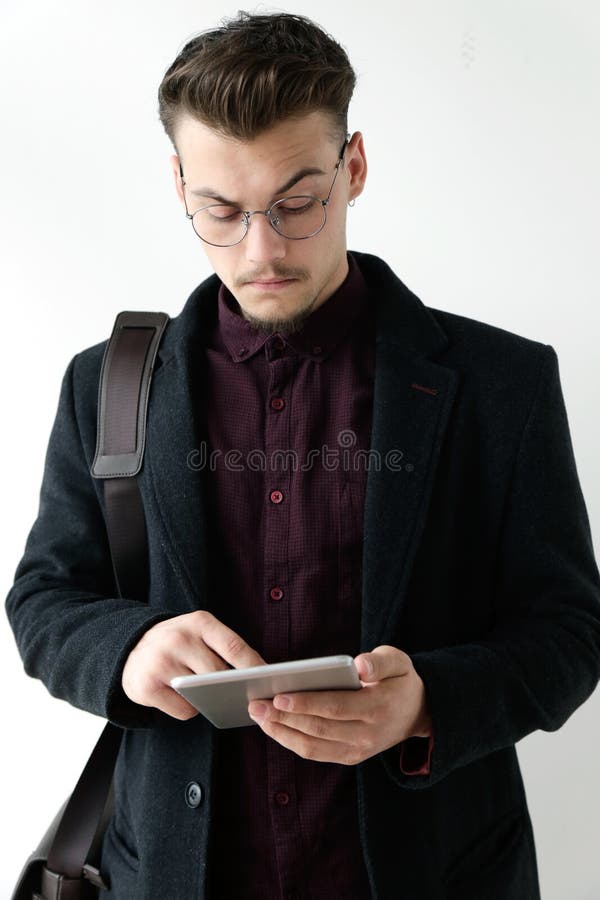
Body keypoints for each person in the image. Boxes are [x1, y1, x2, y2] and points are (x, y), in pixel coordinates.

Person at [5, 10, 600, 900]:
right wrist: (130, 651)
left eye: (296, 203)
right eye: (222, 210)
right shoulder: (107, 385)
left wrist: (427, 703)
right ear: (179, 184)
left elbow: (570, 631)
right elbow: (44, 600)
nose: (264, 250)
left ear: (353, 168)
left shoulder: (502, 383)